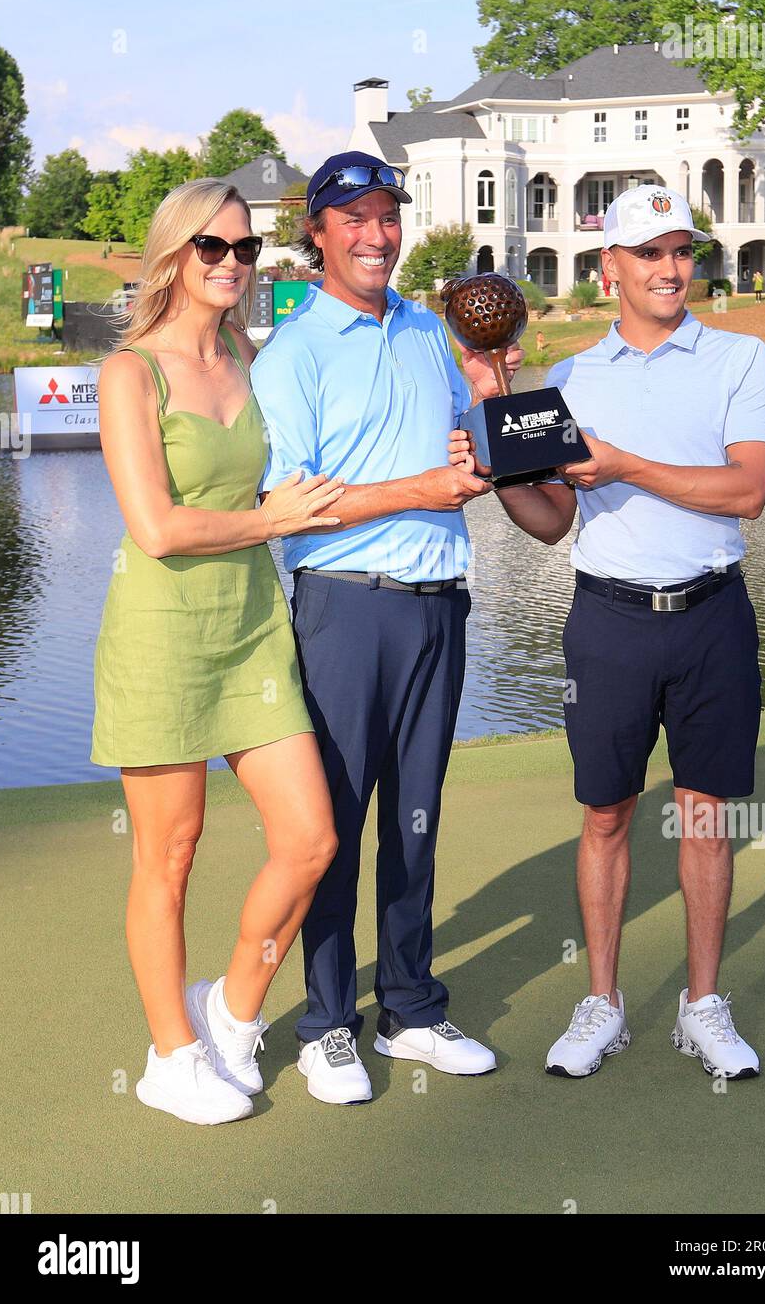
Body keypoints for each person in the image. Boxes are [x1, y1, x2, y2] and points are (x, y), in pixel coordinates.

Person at [490, 185, 765, 1082]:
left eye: (681, 250)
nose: (669, 268)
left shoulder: (741, 357)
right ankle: (603, 1003)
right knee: (607, 811)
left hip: (713, 615)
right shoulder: (573, 379)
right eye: (649, 253)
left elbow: (748, 493)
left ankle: (702, 1005)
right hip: (608, 619)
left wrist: (624, 466)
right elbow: (546, 521)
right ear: (608, 266)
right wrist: (497, 461)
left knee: (704, 813)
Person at [251, 151, 522, 1105]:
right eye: (353, 218)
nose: (376, 234)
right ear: (317, 234)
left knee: (416, 818)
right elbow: (292, 505)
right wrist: (427, 486)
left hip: (438, 604)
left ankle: (410, 1007)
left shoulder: (426, 331)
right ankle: (328, 1023)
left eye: (387, 216)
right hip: (344, 606)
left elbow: (472, 452)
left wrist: (489, 404)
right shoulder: (291, 353)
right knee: (334, 823)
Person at [92, 178, 345, 1125]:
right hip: (161, 638)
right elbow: (154, 527)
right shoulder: (131, 374)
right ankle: (171, 1055)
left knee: (310, 839)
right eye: (212, 247)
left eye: (244, 249)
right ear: (173, 254)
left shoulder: (248, 353)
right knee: (169, 857)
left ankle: (232, 1010)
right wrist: (267, 519)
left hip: (253, 633)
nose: (232, 264)